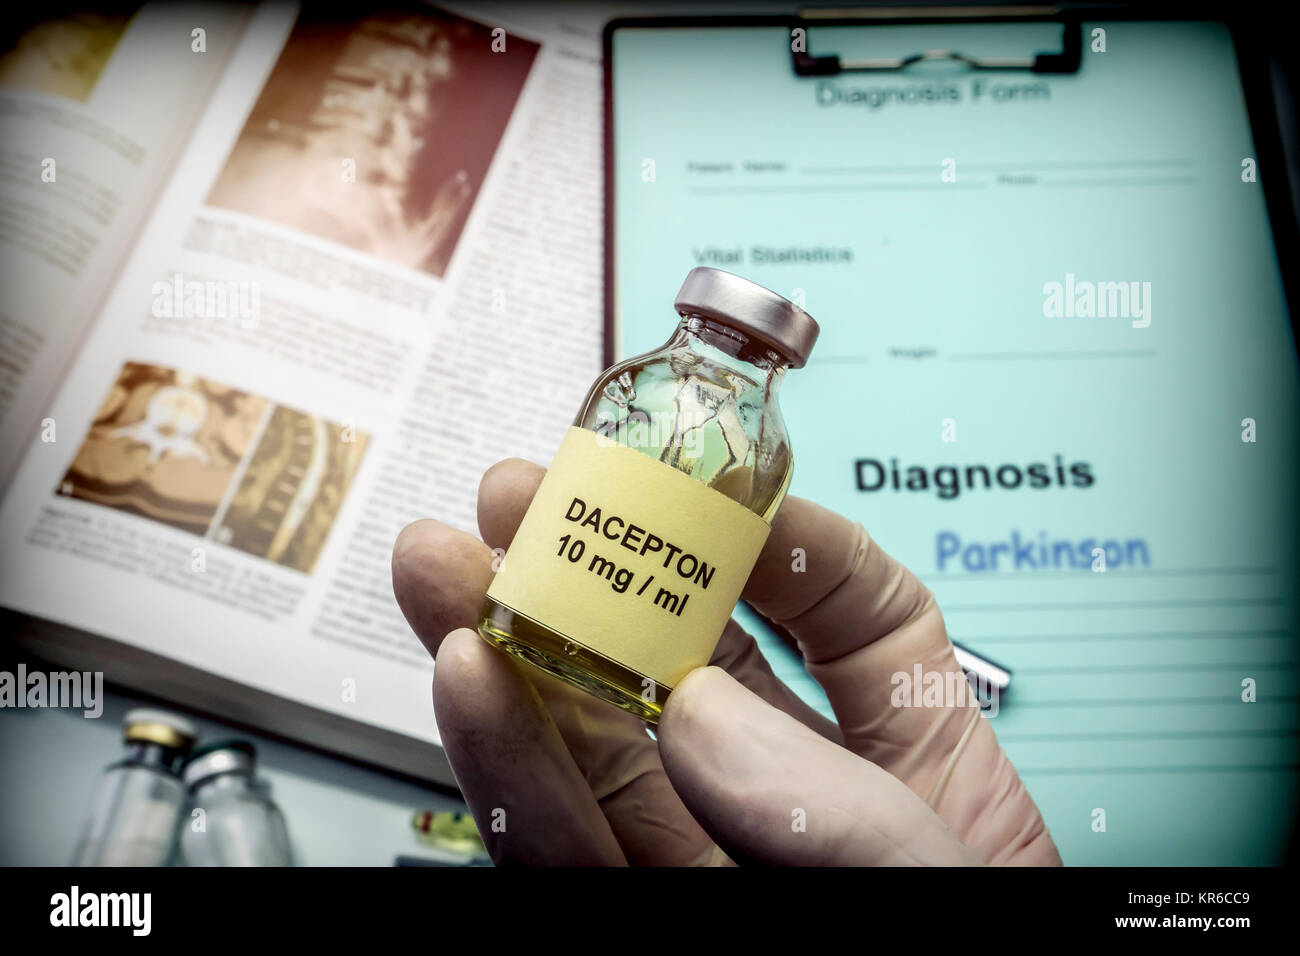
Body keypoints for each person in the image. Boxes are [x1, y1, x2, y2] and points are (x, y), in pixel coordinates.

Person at [392, 457, 1063, 866]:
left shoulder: (755, 445)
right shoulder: (638, 388)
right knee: (465, 568)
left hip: (650, 683)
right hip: (598, 655)